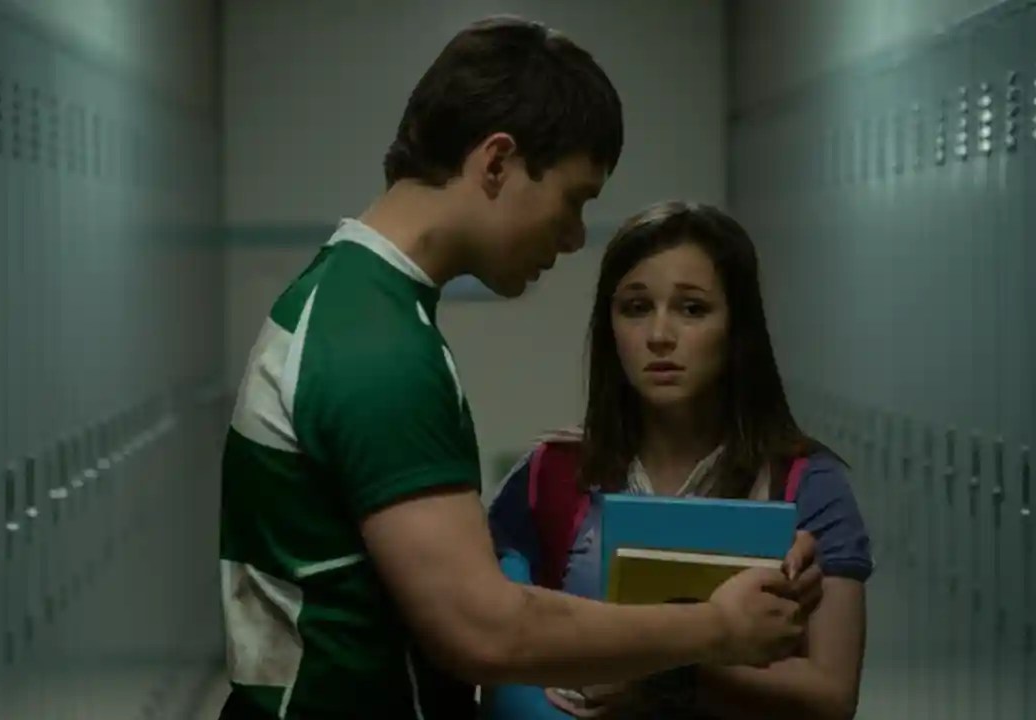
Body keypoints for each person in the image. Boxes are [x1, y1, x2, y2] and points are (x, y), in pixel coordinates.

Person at [217, 18, 822, 720]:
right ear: (497, 163)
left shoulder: (352, 304)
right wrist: (717, 629)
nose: (571, 237)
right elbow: (484, 629)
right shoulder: (375, 347)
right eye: (573, 201)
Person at [485, 201, 874, 719]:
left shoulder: (806, 486)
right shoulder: (550, 474)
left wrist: (662, 672)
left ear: (737, 328)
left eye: (692, 309)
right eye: (636, 308)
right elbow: (490, 632)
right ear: (610, 327)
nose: (660, 336)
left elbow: (831, 697)